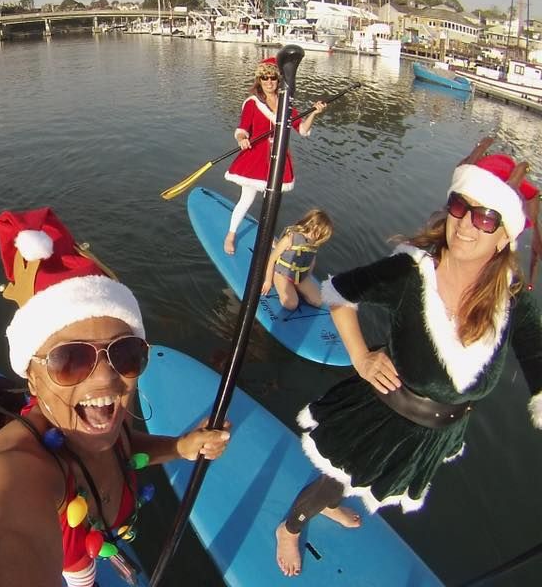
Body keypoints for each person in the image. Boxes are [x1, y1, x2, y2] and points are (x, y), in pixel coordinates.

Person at [274, 142, 542, 577]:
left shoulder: (510, 295)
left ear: (505, 234)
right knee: (337, 476)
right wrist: (361, 358)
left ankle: (329, 504)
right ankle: (290, 527)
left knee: (360, 481)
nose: (467, 225)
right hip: (384, 413)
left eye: (485, 216)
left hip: (436, 434)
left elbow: (536, 348)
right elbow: (339, 292)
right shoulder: (411, 271)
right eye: (460, 206)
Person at [0, 207, 231, 587]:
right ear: (32, 379)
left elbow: (126, 448)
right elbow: (12, 541)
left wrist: (181, 447)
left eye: (126, 352)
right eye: (69, 359)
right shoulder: (21, 464)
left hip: (102, 531)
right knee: (81, 574)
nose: (106, 376)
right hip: (72, 553)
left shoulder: (100, 415)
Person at [223, 57, 326, 255]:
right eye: (265, 78)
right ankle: (231, 234)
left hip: (278, 159)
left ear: (278, 80)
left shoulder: (287, 104)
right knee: (246, 199)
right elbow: (242, 129)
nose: (269, 82)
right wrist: (242, 139)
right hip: (255, 158)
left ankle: (267, 236)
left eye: (273, 78)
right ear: (259, 80)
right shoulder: (252, 103)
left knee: (271, 204)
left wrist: (314, 112)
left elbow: (303, 130)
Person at [262, 209, 334, 310]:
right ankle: (275, 245)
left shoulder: (314, 243)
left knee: (318, 301)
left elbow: (312, 262)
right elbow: (272, 259)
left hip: (299, 276)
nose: (320, 238)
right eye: (321, 234)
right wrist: (268, 281)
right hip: (282, 274)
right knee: (291, 304)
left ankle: (294, 288)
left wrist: (306, 278)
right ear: (315, 227)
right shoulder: (290, 238)